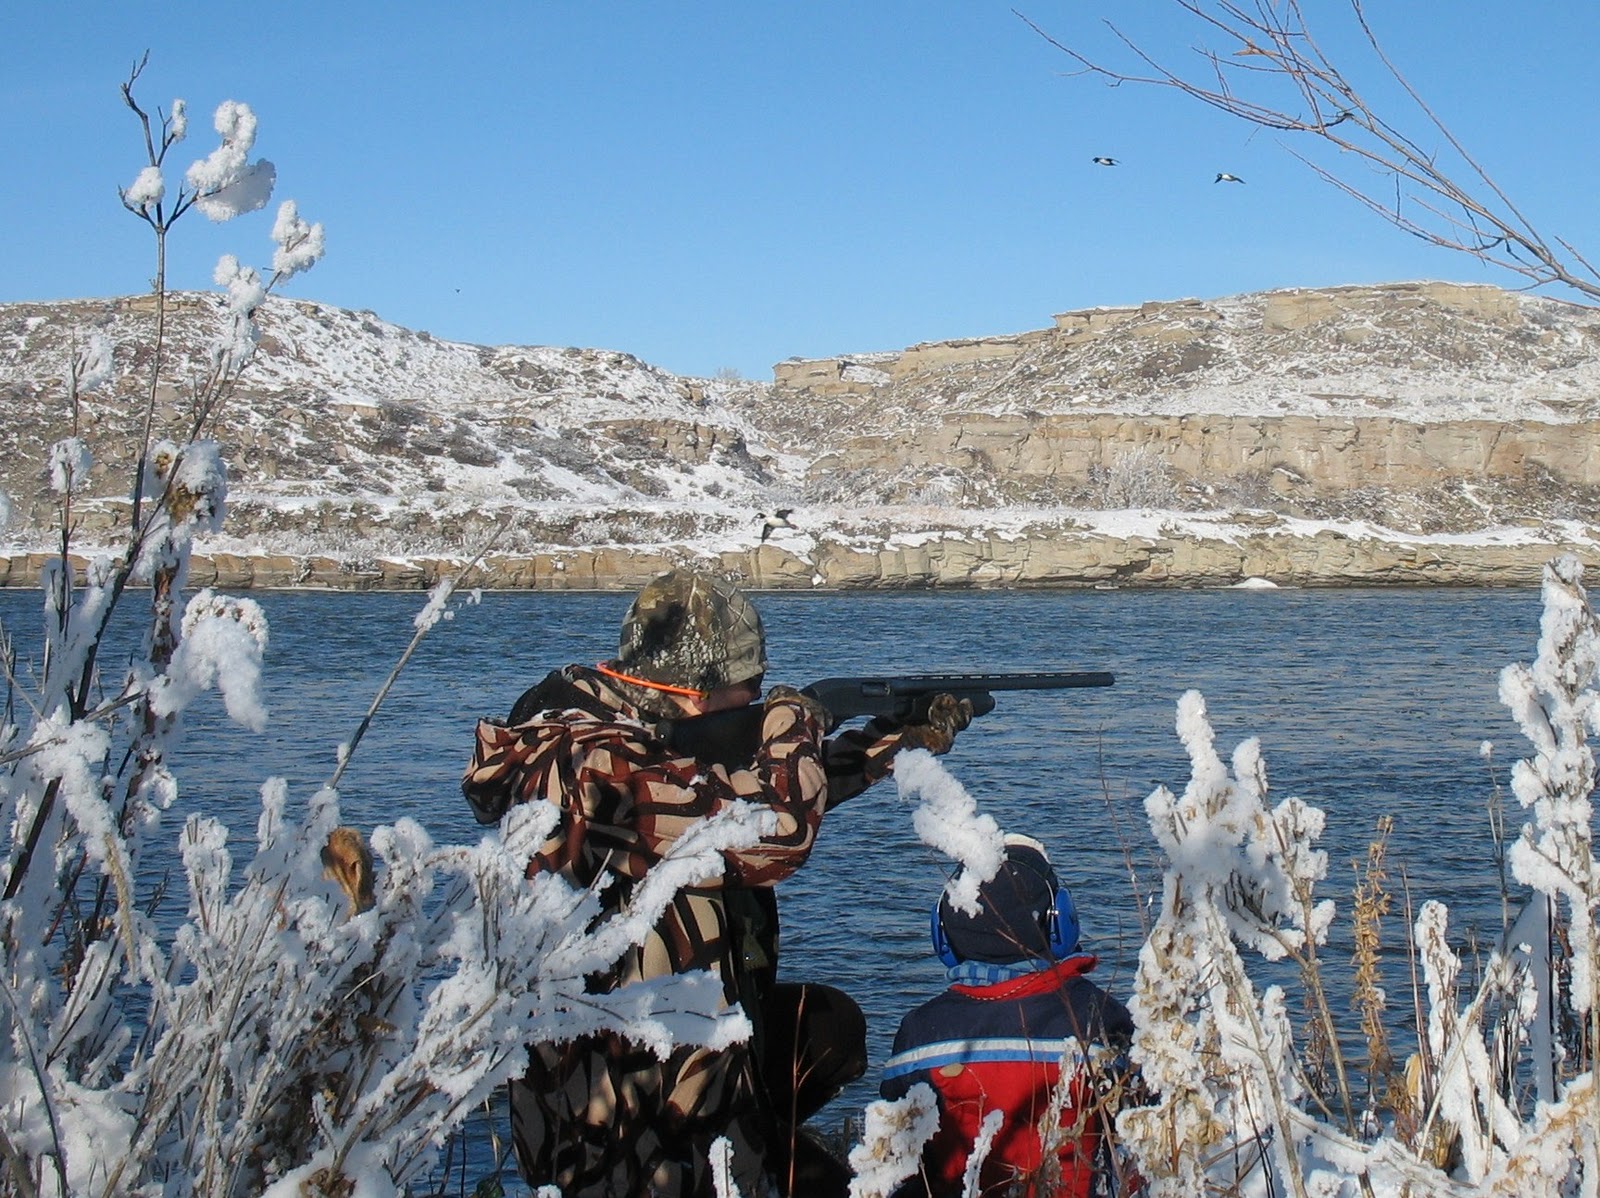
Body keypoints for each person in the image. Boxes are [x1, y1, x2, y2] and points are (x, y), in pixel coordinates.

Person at [461, 567, 972, 1198]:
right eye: (750, 688)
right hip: (628, 1130)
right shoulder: (592, 764)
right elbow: (777, 830)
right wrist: (796, 718)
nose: (757, 702)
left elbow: (733, 807)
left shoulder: (642, 743)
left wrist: (890, 739)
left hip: (682, 1056)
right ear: (694, 694)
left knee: (831, 1030)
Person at [880, 836, 1137, 1198]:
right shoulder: (1103, 1018)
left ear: (942, 931)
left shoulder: (920, 1032)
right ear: (1060, 922)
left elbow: (896, 1147)